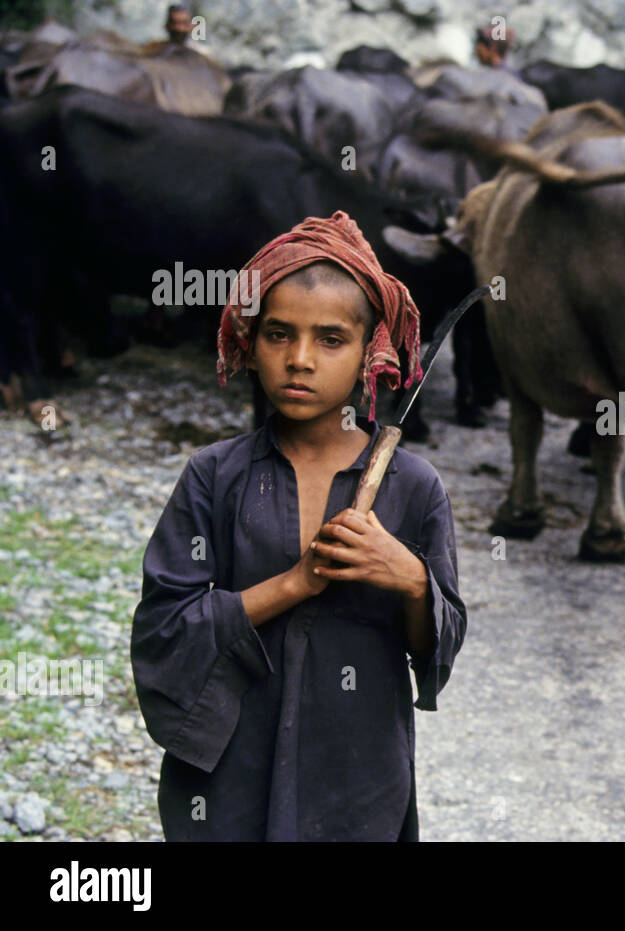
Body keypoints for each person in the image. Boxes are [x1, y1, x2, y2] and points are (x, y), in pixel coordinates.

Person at [131, 210, 467, 840]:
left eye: (331, 339)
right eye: (279, 334)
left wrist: (414, 581)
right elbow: (163, 631)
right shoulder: (214, 476)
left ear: (373, 352)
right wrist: (293, 584)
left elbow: (435, 651)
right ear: (250, 343)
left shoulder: (414, 486)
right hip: (228, 770)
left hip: (358, 774)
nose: (301, 360)